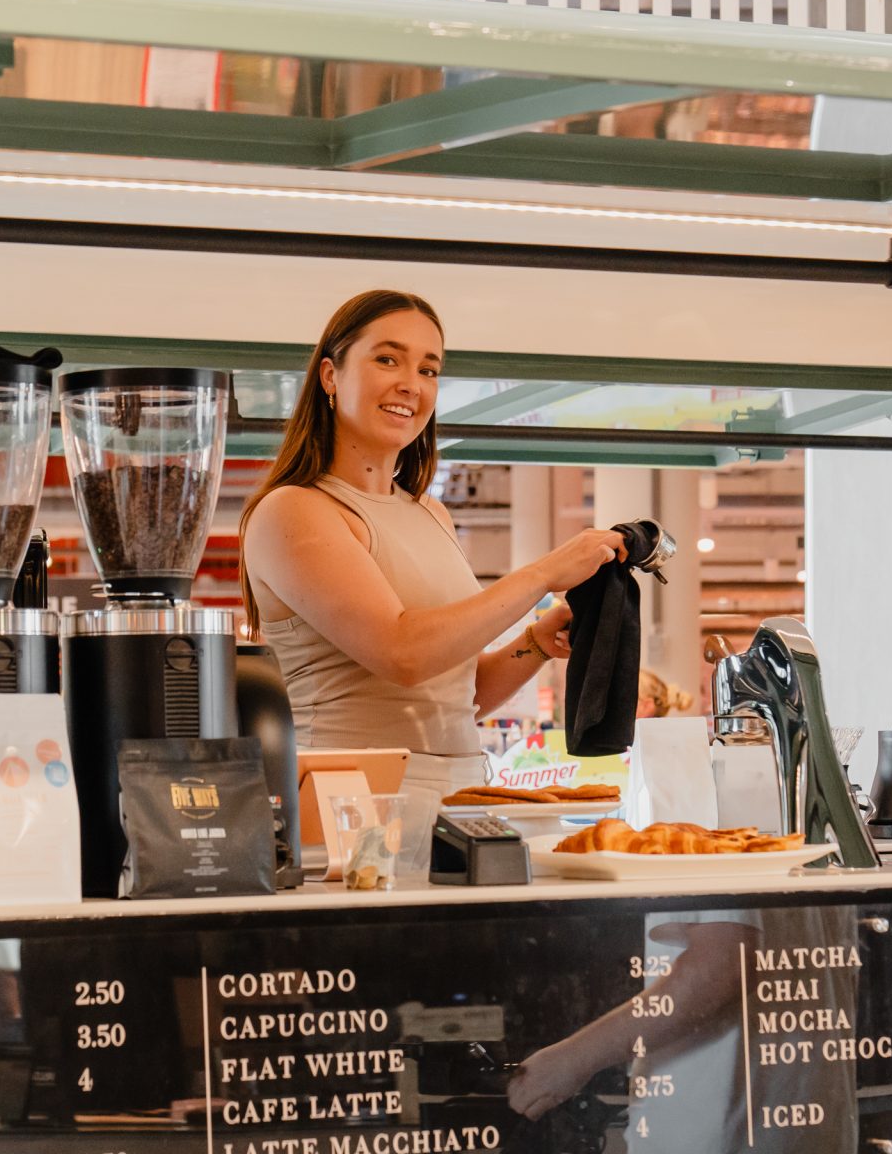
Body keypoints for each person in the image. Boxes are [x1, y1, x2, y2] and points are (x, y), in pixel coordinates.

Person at [240, 289, 627, 806]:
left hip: (458, 792)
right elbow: (403, 654)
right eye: (387, 359)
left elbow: (455, 698)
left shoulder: (428, 512)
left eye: (428, 369)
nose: (410, 384)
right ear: (331, 376)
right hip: (350, 801)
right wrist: (541, 575)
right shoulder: (295, 510)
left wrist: (537, 639)